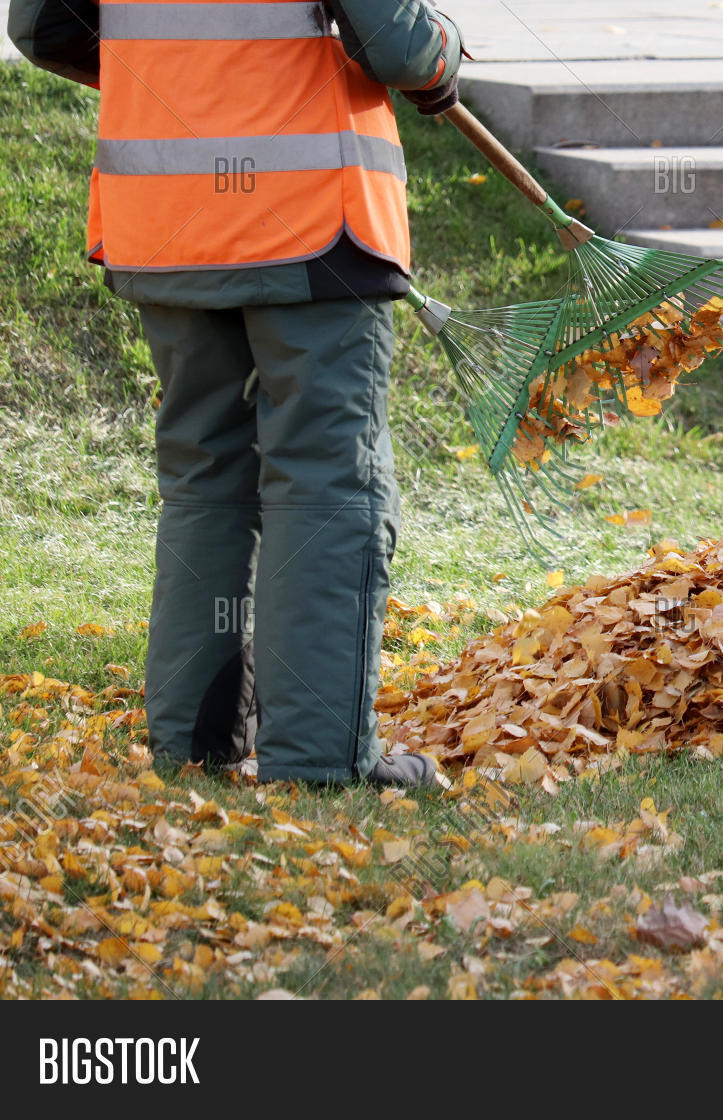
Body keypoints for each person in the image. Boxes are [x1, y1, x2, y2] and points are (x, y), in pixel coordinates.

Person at [8, 0, 467, 787]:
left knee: (204, 478)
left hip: (165, 223)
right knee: (326, 481)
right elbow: (394, 42)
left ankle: (194, 744)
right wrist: (443, 57)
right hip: (310, 225)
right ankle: (318, 761)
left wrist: (180, 88)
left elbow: (42, 26)